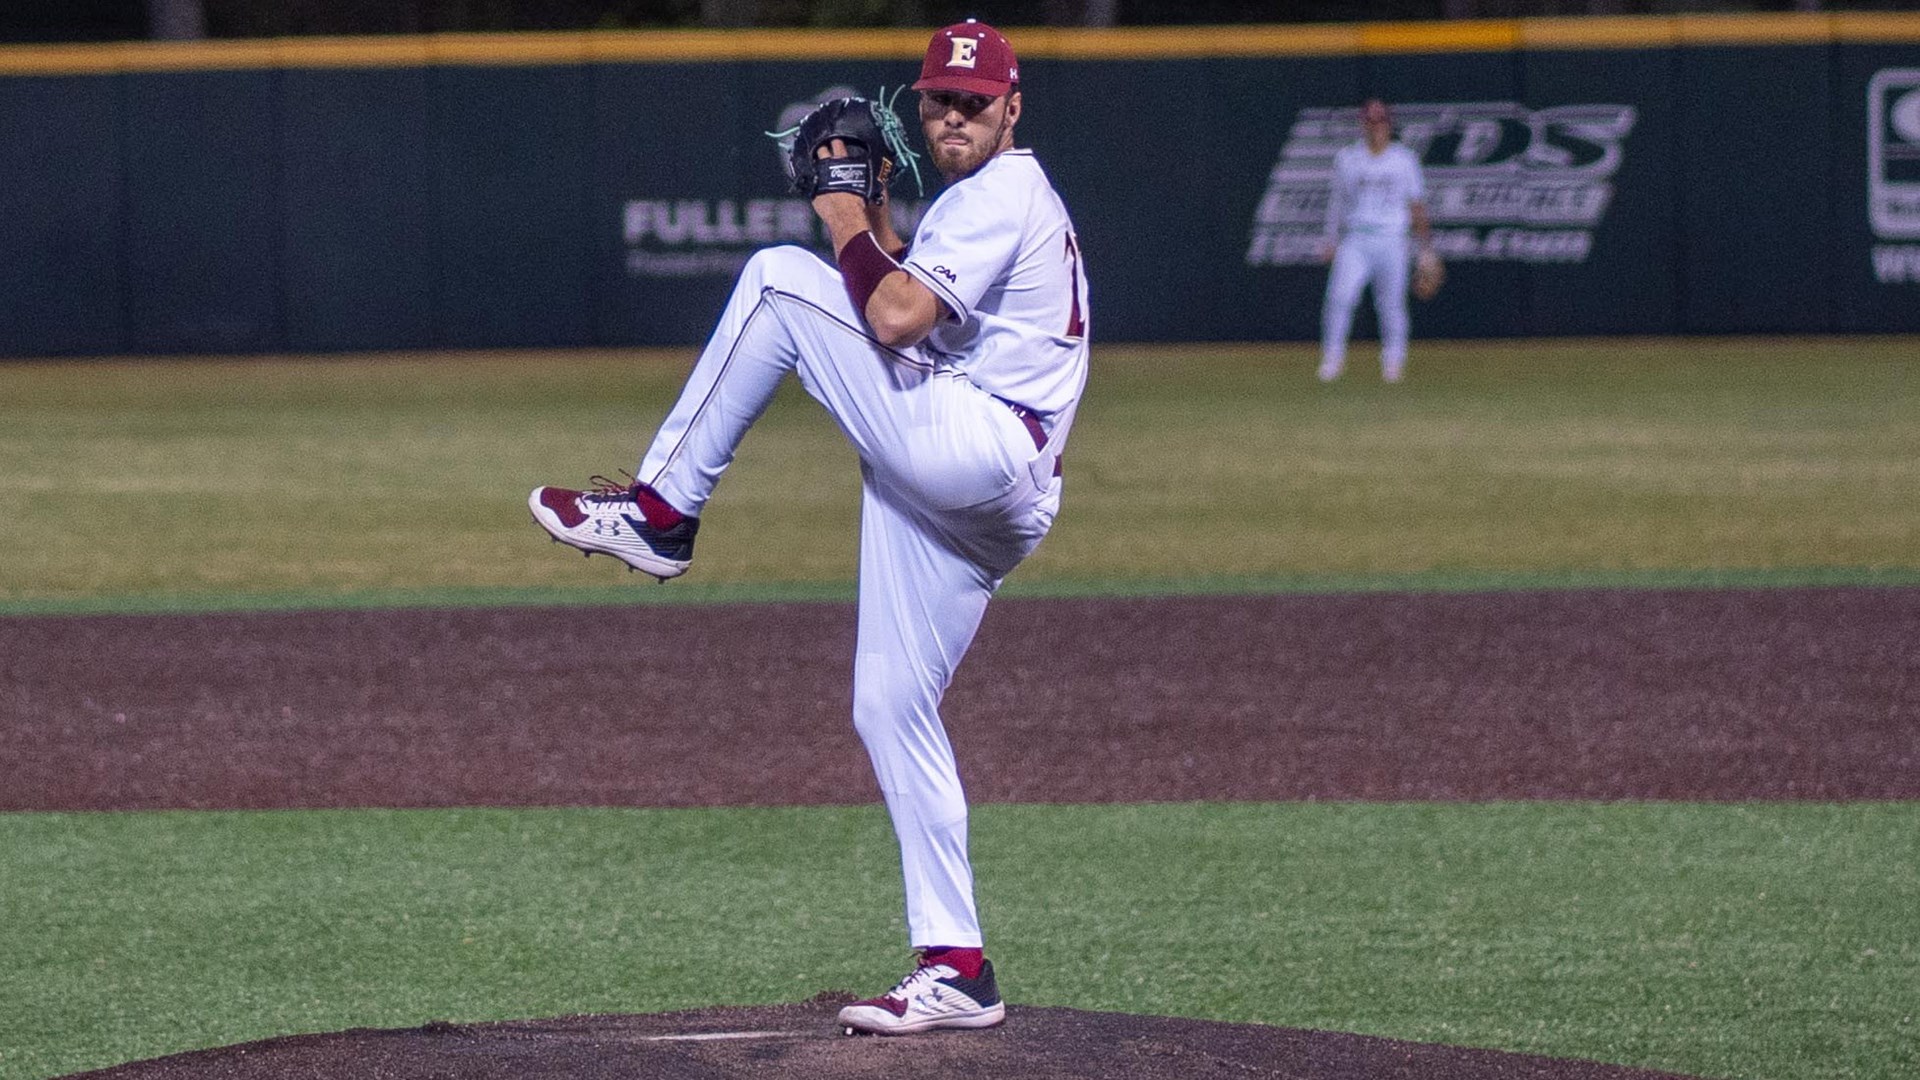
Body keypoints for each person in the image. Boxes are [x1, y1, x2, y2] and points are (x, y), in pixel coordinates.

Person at [528, 20, 1087, 1037]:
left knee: (778, 286)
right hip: (986, 490)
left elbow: (892, 318)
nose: (954, 116)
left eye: (975, 101)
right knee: (889, 706)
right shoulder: (990, 200)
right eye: (939, 101)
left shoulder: (1006, 190)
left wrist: (837, 209)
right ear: (922, 106)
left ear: (1013, 106)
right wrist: (872, 212)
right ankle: (958, 965)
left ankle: (662, 512)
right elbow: (902, 292)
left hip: (980, 448)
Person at [1317, 98, 1432, 383]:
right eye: (1371, 121)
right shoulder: (1347, 158)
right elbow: (1337, 203)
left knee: (1391, 304)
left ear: (1389, 125)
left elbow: (1416, 206)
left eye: (1380, 122)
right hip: (1356, 238)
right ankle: (1333, 359)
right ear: (1362, 124)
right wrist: (1330, 239)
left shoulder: (1404, 159)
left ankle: (1393, 362)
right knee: (1340, 298)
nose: (1376, 127)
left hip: (1392, 239)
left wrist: (1426, 249)